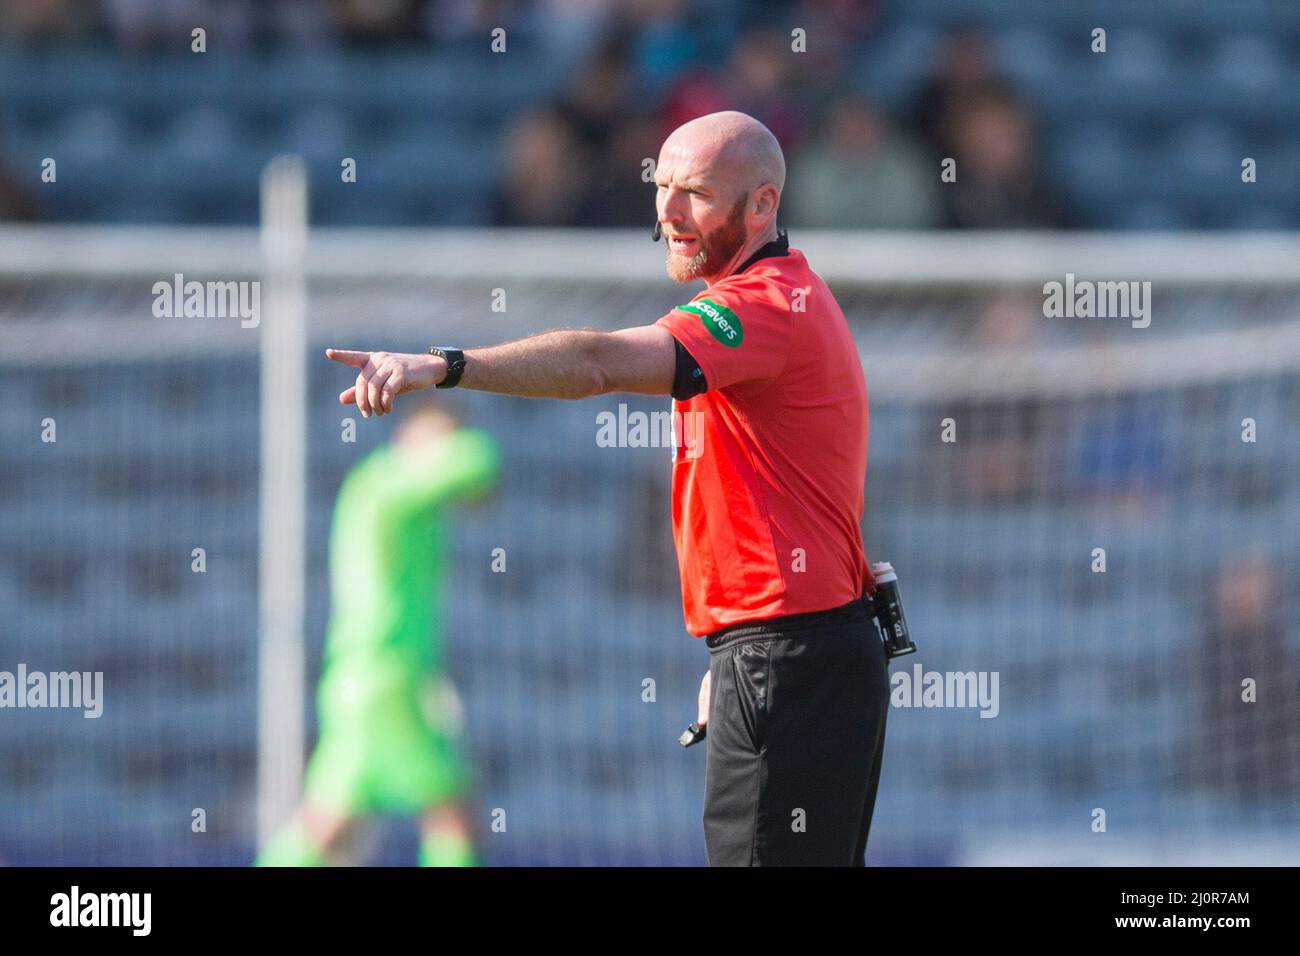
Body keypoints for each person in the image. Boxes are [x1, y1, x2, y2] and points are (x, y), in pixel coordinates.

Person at [325, 110, 888, 866]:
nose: (668, 210)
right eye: (662, 187)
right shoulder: (789, 299)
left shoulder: (761, 306)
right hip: (794, 651)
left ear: (762, 206)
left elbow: (594, 363)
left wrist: (447, 366)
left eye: (695, 193)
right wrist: (740, 654)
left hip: (790, 657)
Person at [256, 402, 499, 866]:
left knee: (324, 825)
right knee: (451, 813)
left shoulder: (391, 496)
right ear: (413, 441)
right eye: (439, 441)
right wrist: (457, 451)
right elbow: (478, 460)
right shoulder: (387, 482)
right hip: (389, 680)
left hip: (358, 679)